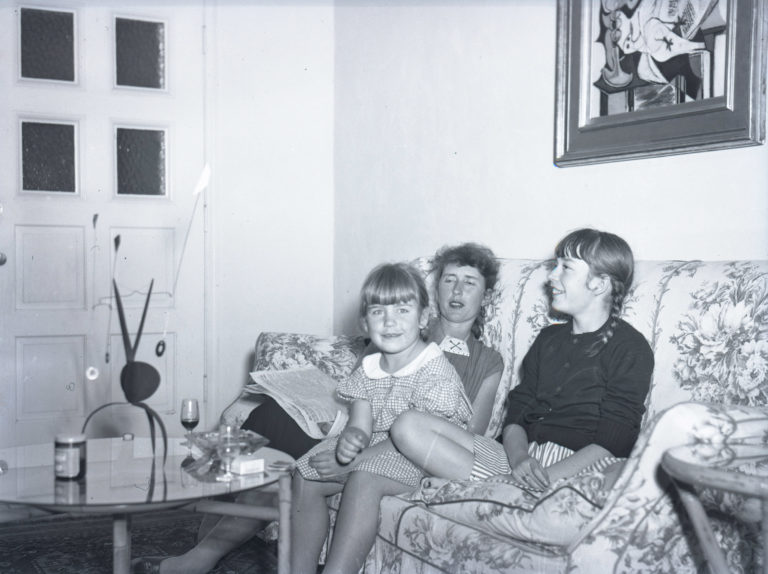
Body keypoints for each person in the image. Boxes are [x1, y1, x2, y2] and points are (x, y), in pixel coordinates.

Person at [132, 243, 504, 574]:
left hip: (415, 446)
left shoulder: (481, 361)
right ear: (434, 292)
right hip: (358, 430)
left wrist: (354, 451)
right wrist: (349, 437)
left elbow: (466, 432)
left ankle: (201, 503)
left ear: (484, 296)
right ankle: (205, 496)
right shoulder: (386, 342)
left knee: (286, 449)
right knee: (277, 428)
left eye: (468, 282)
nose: (456, 290)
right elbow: (363, 403)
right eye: (448, 280)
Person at [391, 228, 654, 501]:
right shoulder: (549, 339)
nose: (552, 275)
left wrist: (543, 478)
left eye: (566, 268)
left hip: (577, 466)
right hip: (520, 457)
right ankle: (497, 489)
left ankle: (495, 491)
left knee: (613, 474)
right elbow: (516, 415)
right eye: (555, 266)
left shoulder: (630, 348)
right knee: (407, 425)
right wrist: (519, 461)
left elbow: (612, 443)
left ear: (599, 284)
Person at [291, 261, 473, 574]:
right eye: (378, 312)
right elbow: (361, 424)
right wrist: (351, 441)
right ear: (364, 322)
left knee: (364, 480)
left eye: (403, 310)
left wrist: (354, 462)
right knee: (305, 475)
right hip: (378, 449)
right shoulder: (369, 368)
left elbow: (412, 439)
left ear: (424, 317)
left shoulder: (434, 368)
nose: (390, 322)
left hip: (423, 457)